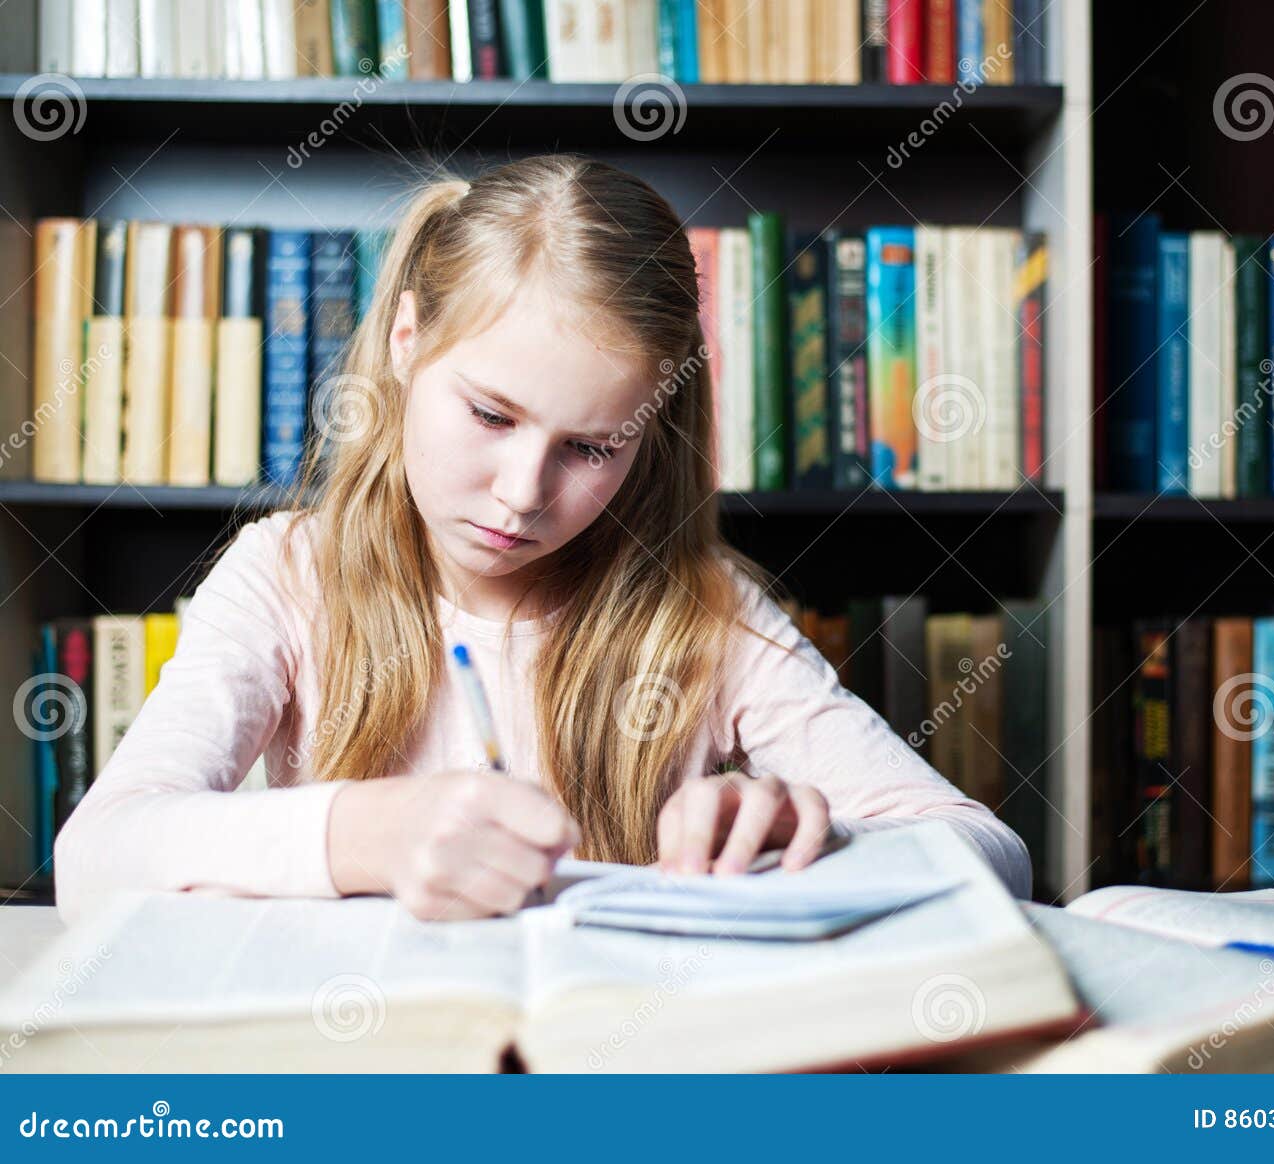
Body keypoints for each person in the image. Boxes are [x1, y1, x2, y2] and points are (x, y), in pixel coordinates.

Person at [53, 155, 1029, 925]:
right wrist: (363, 834)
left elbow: (990, 852)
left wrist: (810, 837)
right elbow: (95, 859)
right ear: (404, 341)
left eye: (592, 447)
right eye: (488, 415)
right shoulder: (286, 575)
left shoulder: (706, 611)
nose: (522, 495)